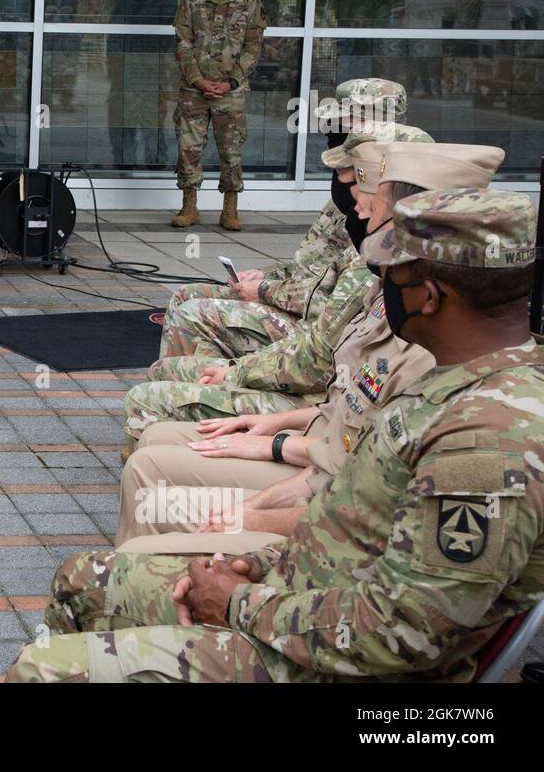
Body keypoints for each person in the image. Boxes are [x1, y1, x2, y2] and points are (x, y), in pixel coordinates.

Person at [7, 186, 543, 682]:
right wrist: (253, 566)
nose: (380, 288)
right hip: (303, 598)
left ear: (427, 296)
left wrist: (238, 603)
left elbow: (402, 632)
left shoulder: (486, 443)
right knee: (82, 580)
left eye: (390, 277)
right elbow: (351, 527)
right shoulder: (455, 383)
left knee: (42, 669)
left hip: (334, 663)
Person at [115, 142, 505, 552]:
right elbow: (349, 413)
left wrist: (272, 461)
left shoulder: (437, 345)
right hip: (318, 461)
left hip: (327, 517)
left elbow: (362, 495)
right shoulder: (406, 302)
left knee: (148, 490)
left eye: (373, 207)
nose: (358, 213)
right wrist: (282, 430)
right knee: (154, 456)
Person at [124, 122, 432, 441]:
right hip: (318, 402)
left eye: (360, 176)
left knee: (151, 397)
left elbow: (318, 363)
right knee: (172, 364)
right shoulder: (374, 249)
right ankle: (185, 444)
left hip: (315, 405)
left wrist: (237, 373)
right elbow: (309, 276)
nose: (355, 201)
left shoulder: (388, 264)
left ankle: (182, 449)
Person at [157, 79, 407, 360]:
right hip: (290, 298)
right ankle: (196, 388)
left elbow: (333, 296)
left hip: (313, 326)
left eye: (345, 123)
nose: (335, 132)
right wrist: (269, 276)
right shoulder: (347, 194)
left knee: (194, 315)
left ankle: (203, 392)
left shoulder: (384, 207)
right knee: (185, 297)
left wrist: (264, 291)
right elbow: (312, 264)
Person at [170, 0, 266, 232]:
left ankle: (230, 209)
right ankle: (189, 206)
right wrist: (198, 80)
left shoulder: (249, 2)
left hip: (231, 93)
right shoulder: (191, 0)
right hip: (193, 90)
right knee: (189, 149)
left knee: (231, 150)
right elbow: (182, 43)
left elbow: (253, 47)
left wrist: (230, 82)